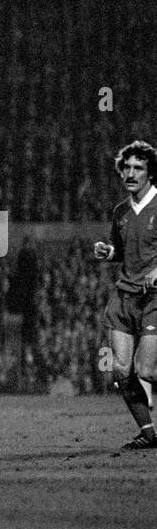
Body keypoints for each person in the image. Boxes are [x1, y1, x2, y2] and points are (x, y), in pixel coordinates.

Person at [91, 139, 157, 449]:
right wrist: (109, 252)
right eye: (126, 167)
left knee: (146, 369)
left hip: (154, 298)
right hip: (124, 296)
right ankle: (148, 432)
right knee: (121, 369)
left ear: (150, 173)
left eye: (138, 168)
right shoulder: (121, 211)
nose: (131, 173)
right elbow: (124, 251)